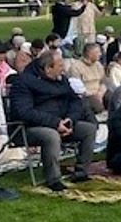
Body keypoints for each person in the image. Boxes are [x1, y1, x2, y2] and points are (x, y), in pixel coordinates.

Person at [9, 51, 97, 192]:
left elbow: (75, 101)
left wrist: (70, 120)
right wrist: (55, 123)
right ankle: (54, 179)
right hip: (29, 128)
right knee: (51, 135)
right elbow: (24, 112)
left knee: (89, 129)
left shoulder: (62, 80)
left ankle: (81, 171)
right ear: (48, 68)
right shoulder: (23, 82)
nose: (63, 69)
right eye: (60, 65)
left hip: (62, 123)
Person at [67, 43, 107, 115]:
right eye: (97, 52)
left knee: (111, 96)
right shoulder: (76, 67)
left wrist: (100, 93)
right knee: (96, 103)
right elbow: (77, 89)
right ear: (90, 54)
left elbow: (103, 82)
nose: (100, 54)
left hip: (99, 92)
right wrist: (94, 94)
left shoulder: (98, 65)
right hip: (86, 95)